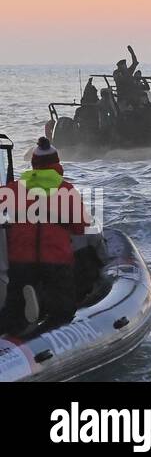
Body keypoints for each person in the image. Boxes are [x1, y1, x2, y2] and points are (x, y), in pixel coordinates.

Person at [2, 138, 90, 329]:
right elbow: (80, 227)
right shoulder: (67, 191)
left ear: (33, 164)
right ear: (57, 164)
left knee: (12, 311)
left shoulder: (14, 189)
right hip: (56, 260)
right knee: (63, 312)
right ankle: (42, 308)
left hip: (20, 261)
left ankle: (20, 319)